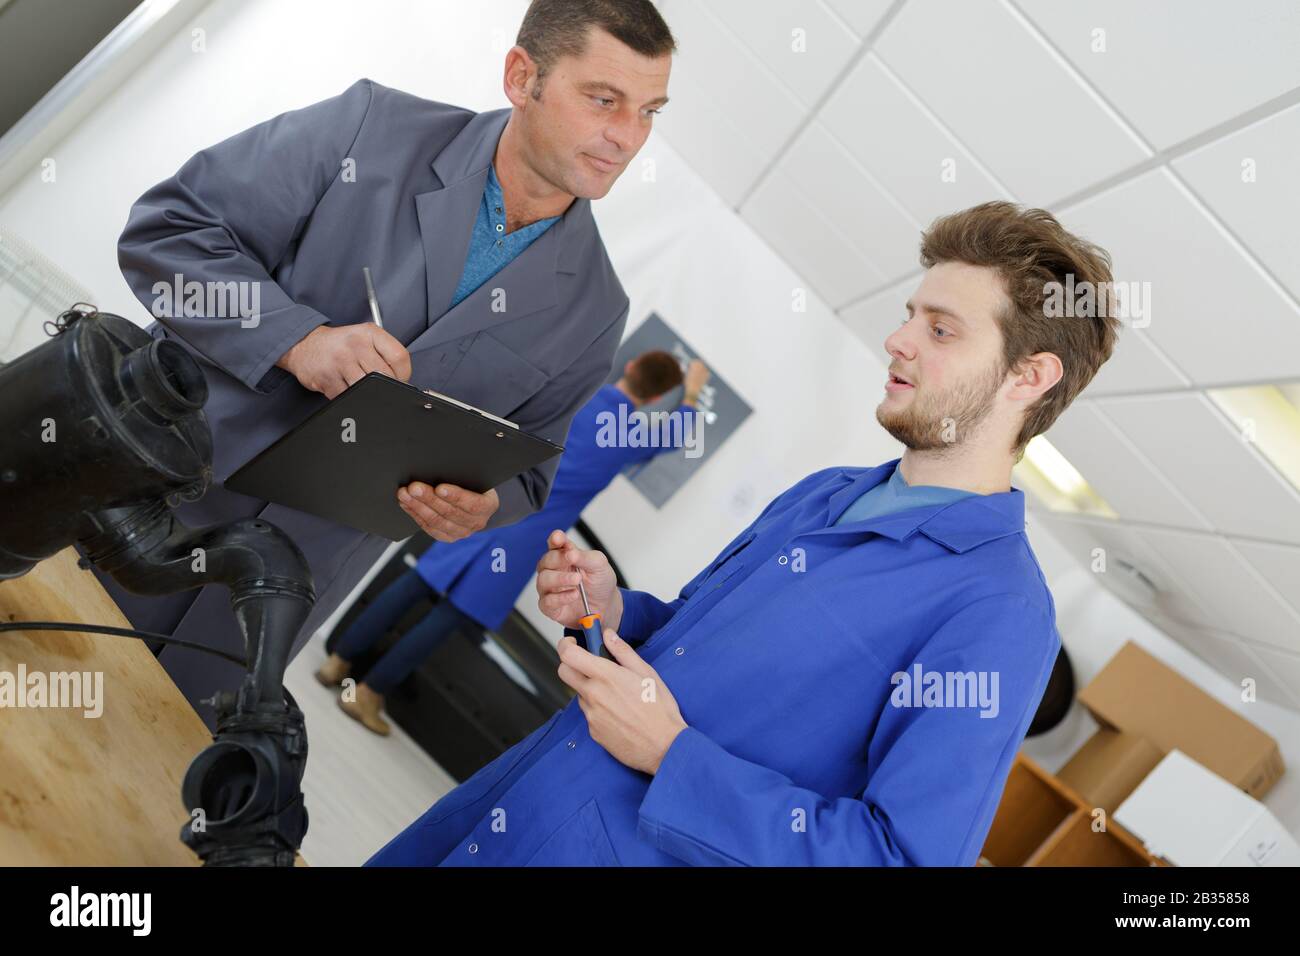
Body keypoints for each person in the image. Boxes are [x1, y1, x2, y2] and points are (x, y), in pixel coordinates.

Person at [366, 201, 1121, 866]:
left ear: (1029, 377)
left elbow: (895, 857)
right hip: (510, 804)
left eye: (941, 328)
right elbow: (696, 644)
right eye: (908, 315)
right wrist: (617, 610)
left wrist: (672, 759)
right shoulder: (824, 495)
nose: (898, 340)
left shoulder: (1000, 613)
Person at [89, 0, 677, 723]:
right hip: (147, 501)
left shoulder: (594, 309)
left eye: (649, 111)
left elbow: (528, 475)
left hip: (271, 599)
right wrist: (296, 339)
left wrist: (480, 507)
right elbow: (169, 233)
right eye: (603, 100)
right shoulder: (371, 130)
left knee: (129, 770)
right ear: (522, 77)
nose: (627, 138)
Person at [316, 353, 710, 735]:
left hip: (492, 509)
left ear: (630, 366)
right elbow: (675, 434)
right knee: (453, 615)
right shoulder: (628, 435)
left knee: (417, 583)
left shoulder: (578, 399)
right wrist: (691, 393)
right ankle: (367, 693)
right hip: (527, 539)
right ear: (657, 398)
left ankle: (337, 662)